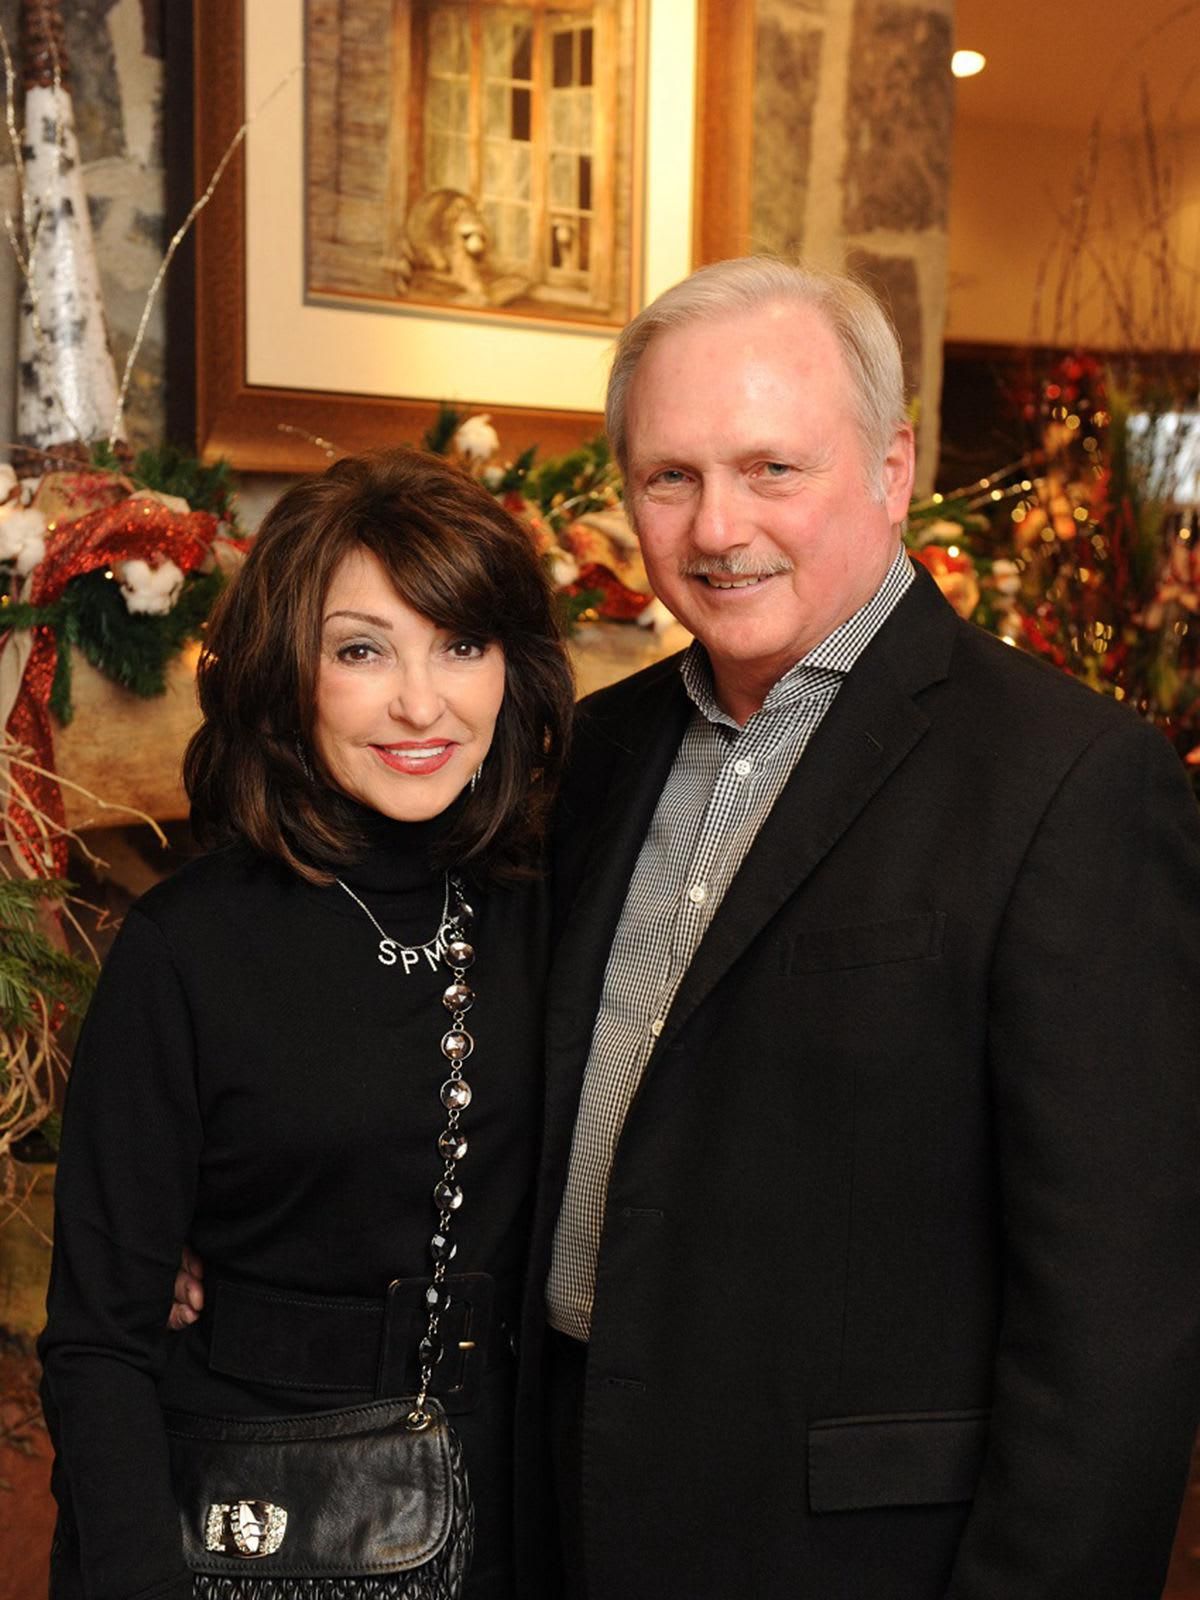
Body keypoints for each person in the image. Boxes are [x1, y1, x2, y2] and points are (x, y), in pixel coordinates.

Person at [509, 258, 1200, 1598]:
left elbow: (1117, 1332)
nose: (717, 530)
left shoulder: (1070, 783)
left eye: (774, 469)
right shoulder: (596, 752)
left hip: (855, 1558)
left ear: (892, 471)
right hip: (572, 1515)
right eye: (669, 478)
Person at [38, 447, 574, 1600]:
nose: (421, 702)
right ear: (290, 672)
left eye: (462, 644)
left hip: (515, 1513)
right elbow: (98, 1342)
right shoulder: (185, 948)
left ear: (512, 672)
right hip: (247, 1523)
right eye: (362, 649)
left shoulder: (555, 908)